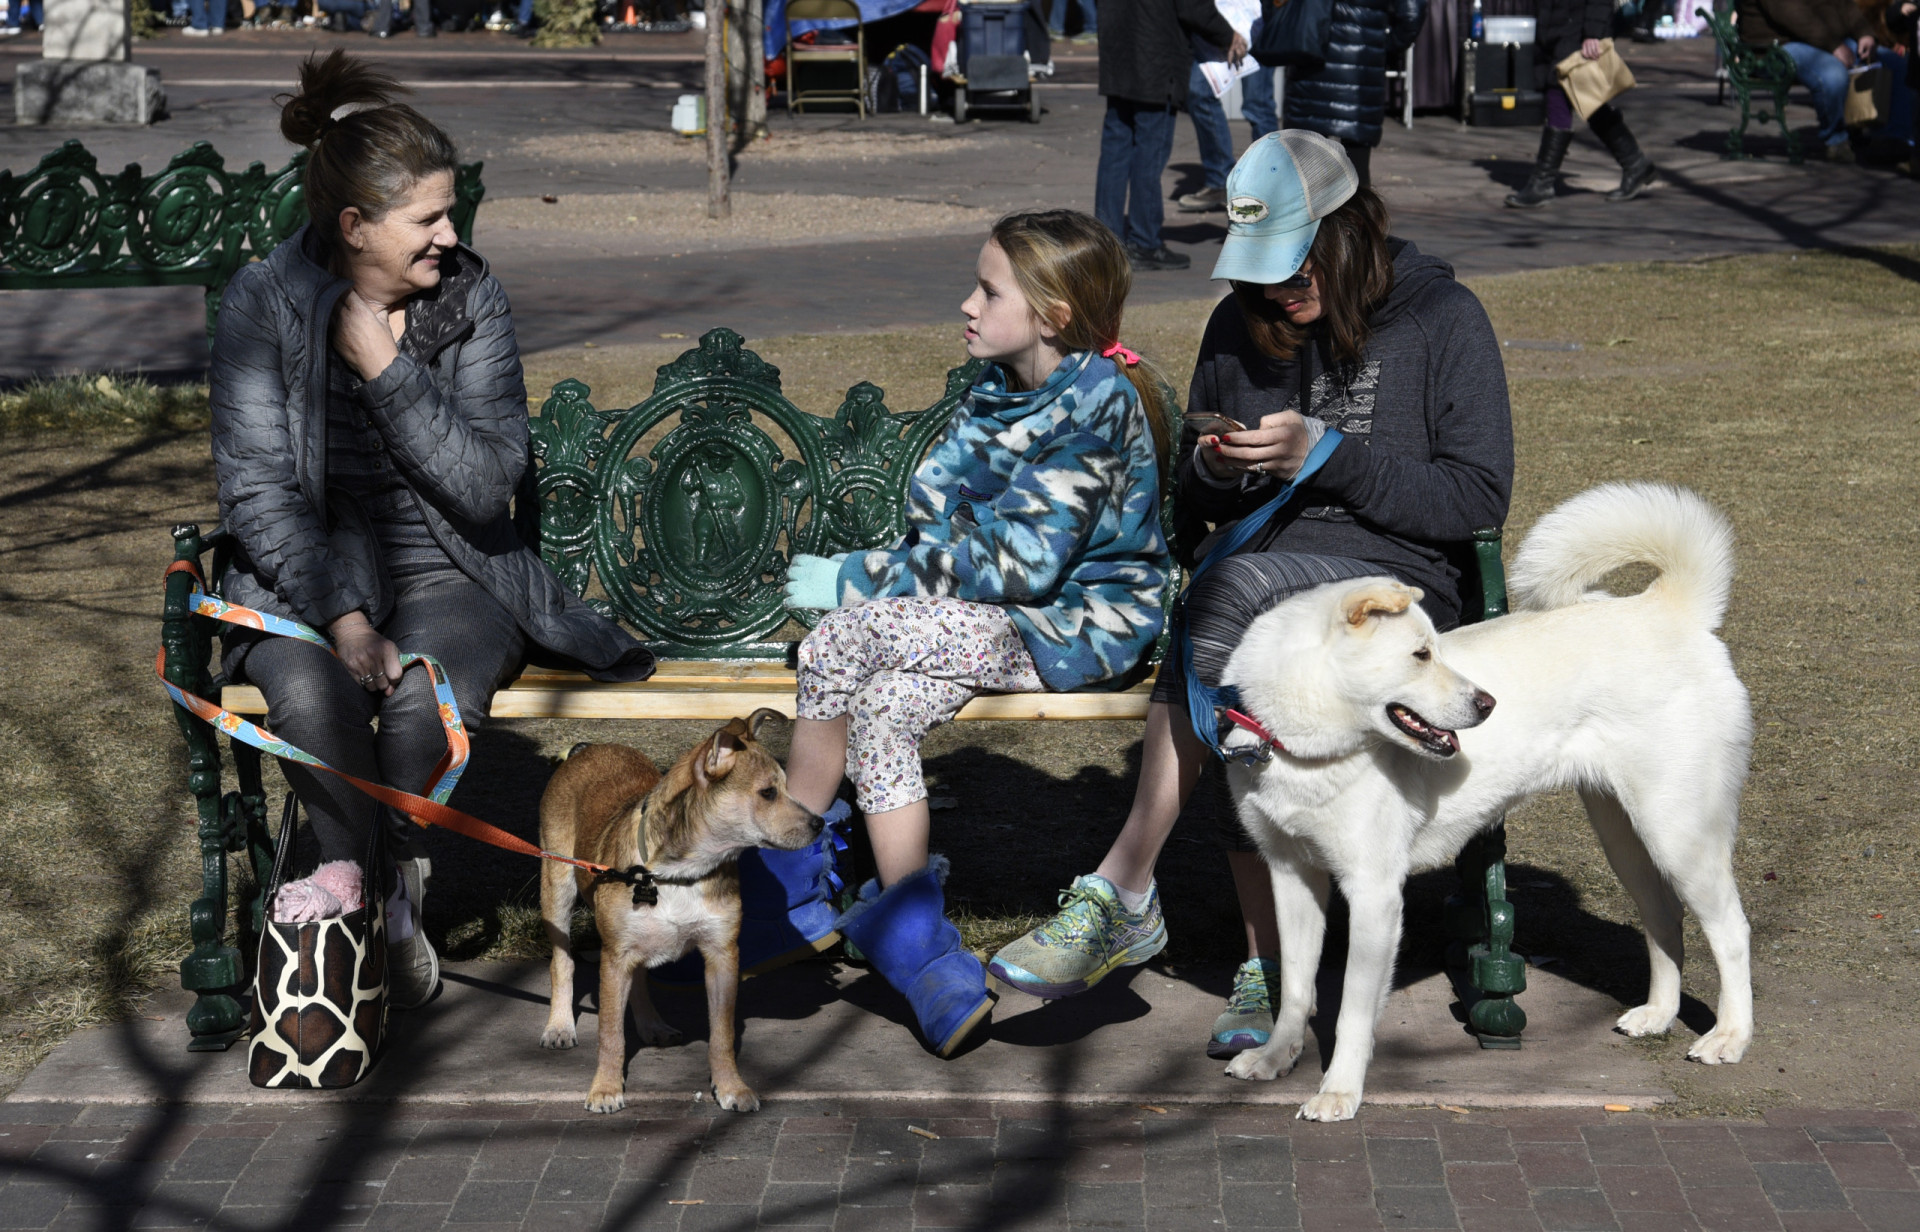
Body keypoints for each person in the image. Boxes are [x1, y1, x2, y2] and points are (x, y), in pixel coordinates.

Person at [987, 131, 1513, 1059]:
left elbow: (1475, 496)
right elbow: (1194, 504)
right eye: (1262, 271)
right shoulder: (1240, 325)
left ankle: (1129, 893)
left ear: (1349, 230)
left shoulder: (1442, 318)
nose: (1278, 290)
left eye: (1295, 264)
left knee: (1227, 602)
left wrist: (1331, 455)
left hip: (1391, 583)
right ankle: (1262, 955)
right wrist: (1215, 467)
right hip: (1257, 569)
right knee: (1226, 610)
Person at [209, 51, 655, 1009]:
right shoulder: (263, 304)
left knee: (421, 704)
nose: (452, 235)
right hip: (304, 583)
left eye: (451, 213)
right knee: (313, 695)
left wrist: (388, 369)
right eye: (429, 219)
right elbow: (260, 495)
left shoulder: (470, 298)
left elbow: (489, 482)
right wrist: (344, 620)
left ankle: (370, 885)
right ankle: (368, 891)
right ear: (354, 226)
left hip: (460, 573)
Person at [771, 210, 1173, 1057]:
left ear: (1053, 315)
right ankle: (912, 932)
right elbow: (936, 509)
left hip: (1080, 623)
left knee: (839, 640)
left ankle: (792, 879)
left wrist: (857, 580)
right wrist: (948, 555)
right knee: (883, 705)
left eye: (989, 291)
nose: (968, 304)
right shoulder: (997, 389)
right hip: (1000, 617)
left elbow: (1024, 561)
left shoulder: (1097, 401)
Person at [1094, 0, 1244, 270]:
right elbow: (1193, 7)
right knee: (1148, 155)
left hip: (1118, 53)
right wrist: (1228, 34)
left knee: (1115, 152)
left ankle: (1105, 241)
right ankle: (1144, 242)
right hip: (1156, 58)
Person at [1505, 0, 1656, 207]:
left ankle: (1542, 183)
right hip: (1554, 25)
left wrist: (1592, 33)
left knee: (1558, 91)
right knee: (1584, 97)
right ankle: (1635, 164)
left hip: (1576, 26)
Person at [1738, 0, 1913, 162]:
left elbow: (1844, 4)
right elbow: (1791, 14)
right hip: (1775, 46)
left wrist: (1865, 34)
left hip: (1820, 39)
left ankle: (1894, 138)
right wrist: (1833, 45)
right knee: (1832, 73)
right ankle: (1836, 140)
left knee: (1895, 64)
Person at [1278, 0, 1427, 189]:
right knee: (1357, 179)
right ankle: (1356, 217)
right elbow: (1412, 15)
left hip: (1308, 66)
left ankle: (1314, 217)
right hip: (1360, 70)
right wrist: (1383, 48)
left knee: (1305, 180)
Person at [1179, 15, 1279, 214]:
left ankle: (1269, 186)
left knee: (1257, 106)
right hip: (1218, 26)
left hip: (1257, 24)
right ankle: (1220, 181)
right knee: (1198, 92)